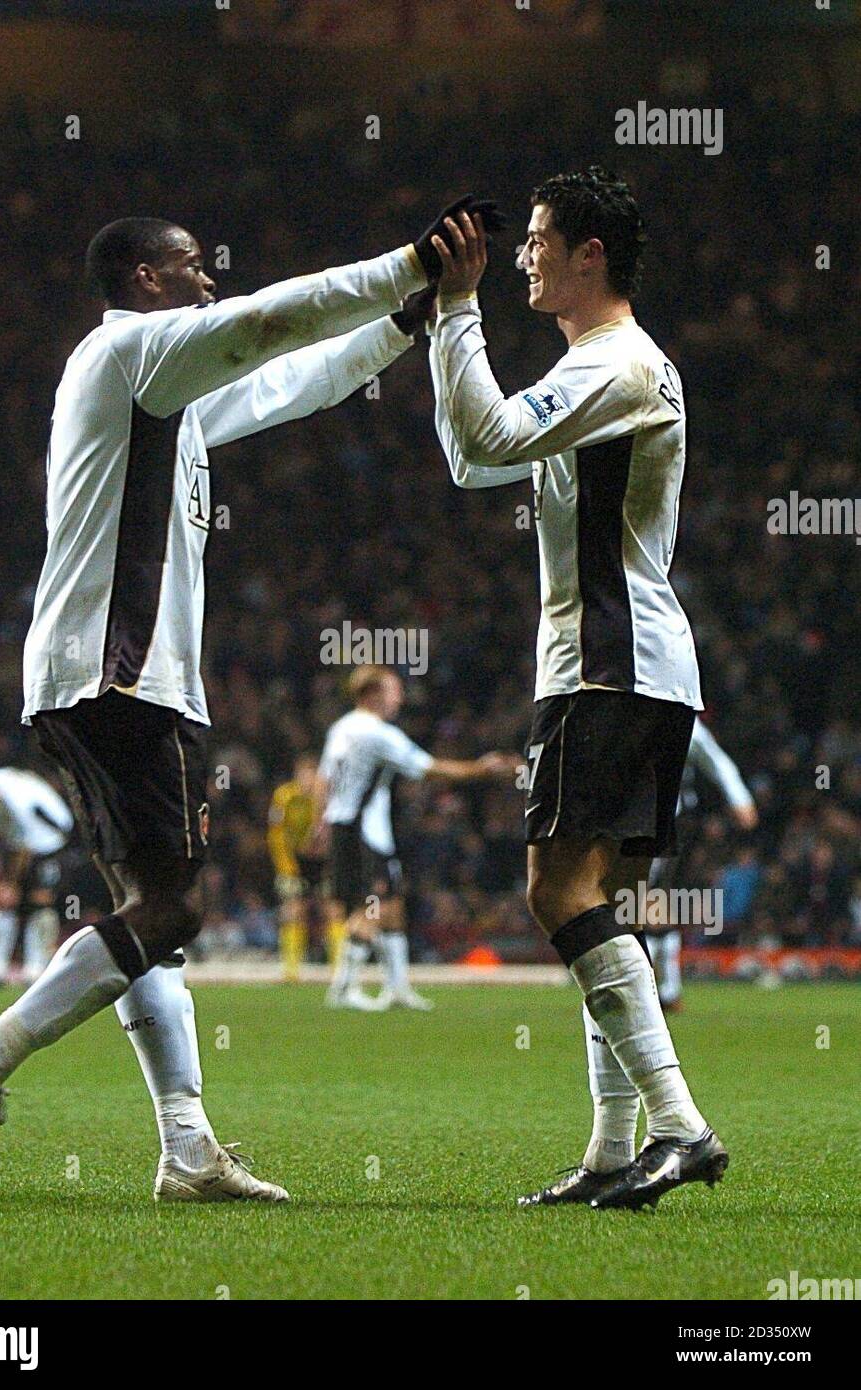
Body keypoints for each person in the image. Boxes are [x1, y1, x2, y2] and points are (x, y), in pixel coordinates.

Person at [0, 198, 503, 1199]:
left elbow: (295, 378)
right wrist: (411, 262)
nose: (208, 279)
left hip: (98, 674)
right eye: (191, 266)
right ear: (147, 280)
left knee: (150, 912)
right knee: (175, 906)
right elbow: (275, 318)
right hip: (121, 675)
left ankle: (185, 1146)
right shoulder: (136, 352)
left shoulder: (164, 391)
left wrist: (406, 321)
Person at [428, 168, 728, 1210]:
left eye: (540, 237)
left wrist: (456, 308)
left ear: (588, 256)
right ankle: (612, 1150)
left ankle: (680, 1128)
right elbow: (477, 462)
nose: (523, 254)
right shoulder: (604, 368)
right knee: (595, 902)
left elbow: (485, 438)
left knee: (555, 892)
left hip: (609, 665)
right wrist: (448, 326)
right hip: (628, 664)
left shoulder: (621, 364)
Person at [319, 665, 513, 1011]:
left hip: (345, 826)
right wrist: (482, 768)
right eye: (393, 690)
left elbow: (324, 780)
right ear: (373, 694)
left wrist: (319, 824)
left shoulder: (341, 728)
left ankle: (397, 988)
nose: (399, 698)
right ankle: (344, 987)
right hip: (365, 830)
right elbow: (429, 768)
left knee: (392, 907)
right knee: (375, 907)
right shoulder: (377, 733)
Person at [645, 720, 758, 1010]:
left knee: (648, 901)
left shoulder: (679, 717)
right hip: (633, 821)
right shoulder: (625, 710)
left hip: (664, 824)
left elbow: (714, 759)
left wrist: (740, 799)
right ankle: (664, 989)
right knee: (648, 902)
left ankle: (659, 990)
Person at [0, 767, 73, 986]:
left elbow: (24, 847)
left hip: (48, 835)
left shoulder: (16, 799)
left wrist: (10, 884)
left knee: (39, 900)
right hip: (10, 840)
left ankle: (36, 969)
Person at [267, 754, 336, 980]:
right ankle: (291, 971)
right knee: (293, 908)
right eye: (304, 774)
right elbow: (276, 835)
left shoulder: (329, 798)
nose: (308, 780)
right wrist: (286, 867)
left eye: (313, 775)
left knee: (333, 910)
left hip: (323, 862)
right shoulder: (284, 796)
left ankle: (338, 969)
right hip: (294, 860)